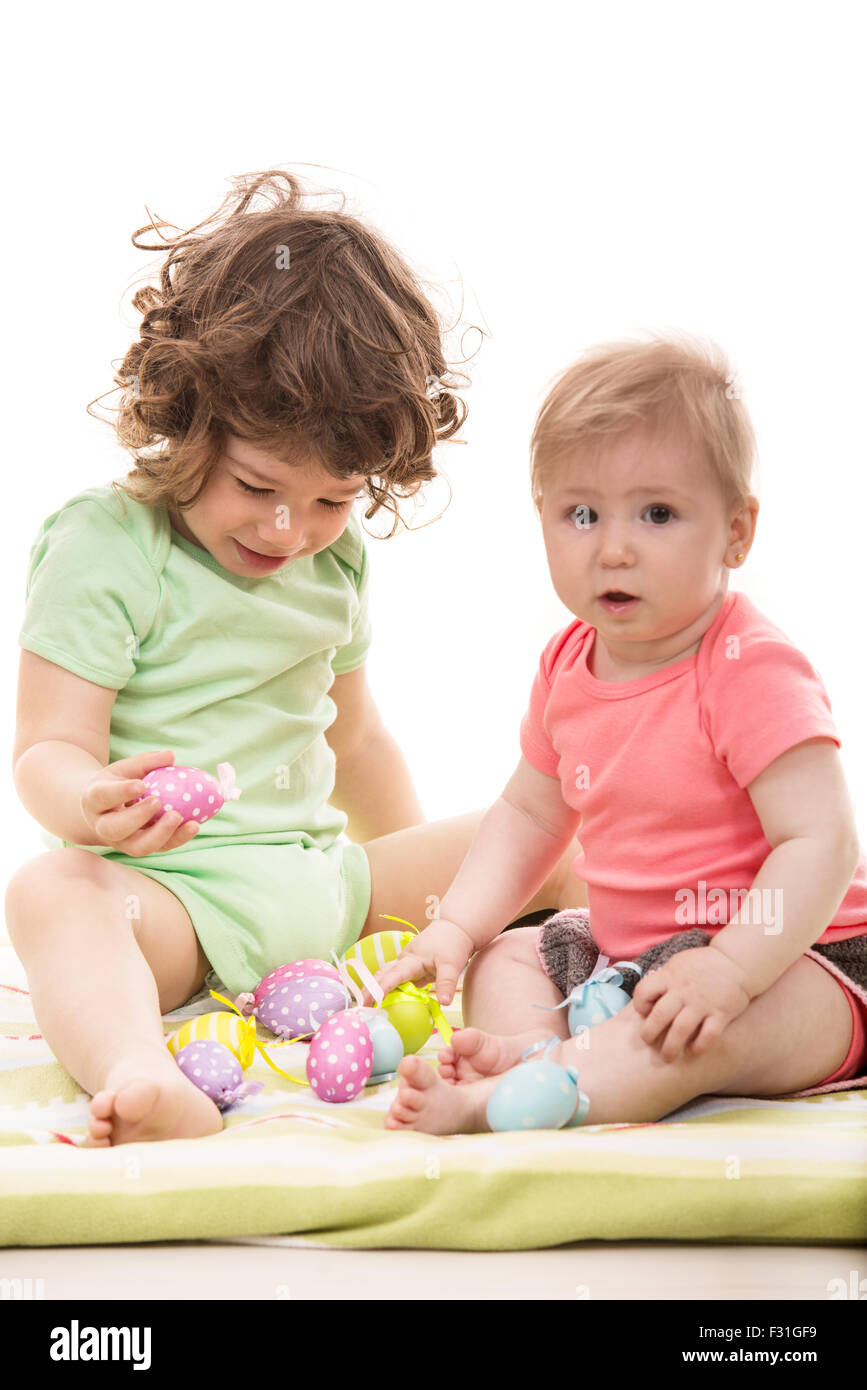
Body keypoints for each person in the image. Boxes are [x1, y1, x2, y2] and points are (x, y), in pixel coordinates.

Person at [6, 169, 586, 1147]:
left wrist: (419, 912)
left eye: (332, 498)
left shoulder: (335, 562)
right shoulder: (107, 543)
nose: (289, 527)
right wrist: (89, 800)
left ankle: (596, 996)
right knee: (48, 892)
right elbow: (44, 750)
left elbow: (356, 739)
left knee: (554, 826)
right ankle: (140, 1068)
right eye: (257, 484)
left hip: (323, 883)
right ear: (180, 413)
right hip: (175, 903)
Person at [373, 332, 867, 1134]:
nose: (613, 547)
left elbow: (821, 842)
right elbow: (531, 815)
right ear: (542, 519)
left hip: (801, 961)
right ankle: (531, 1054)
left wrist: (730, 970)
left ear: (736, 533)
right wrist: (456, 926)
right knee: (512, 954)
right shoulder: (569, 664)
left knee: (696, 1036)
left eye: (657, 513)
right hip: (624, 958)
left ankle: (526, 1097)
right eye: (581, 514)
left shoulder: (747, 666)